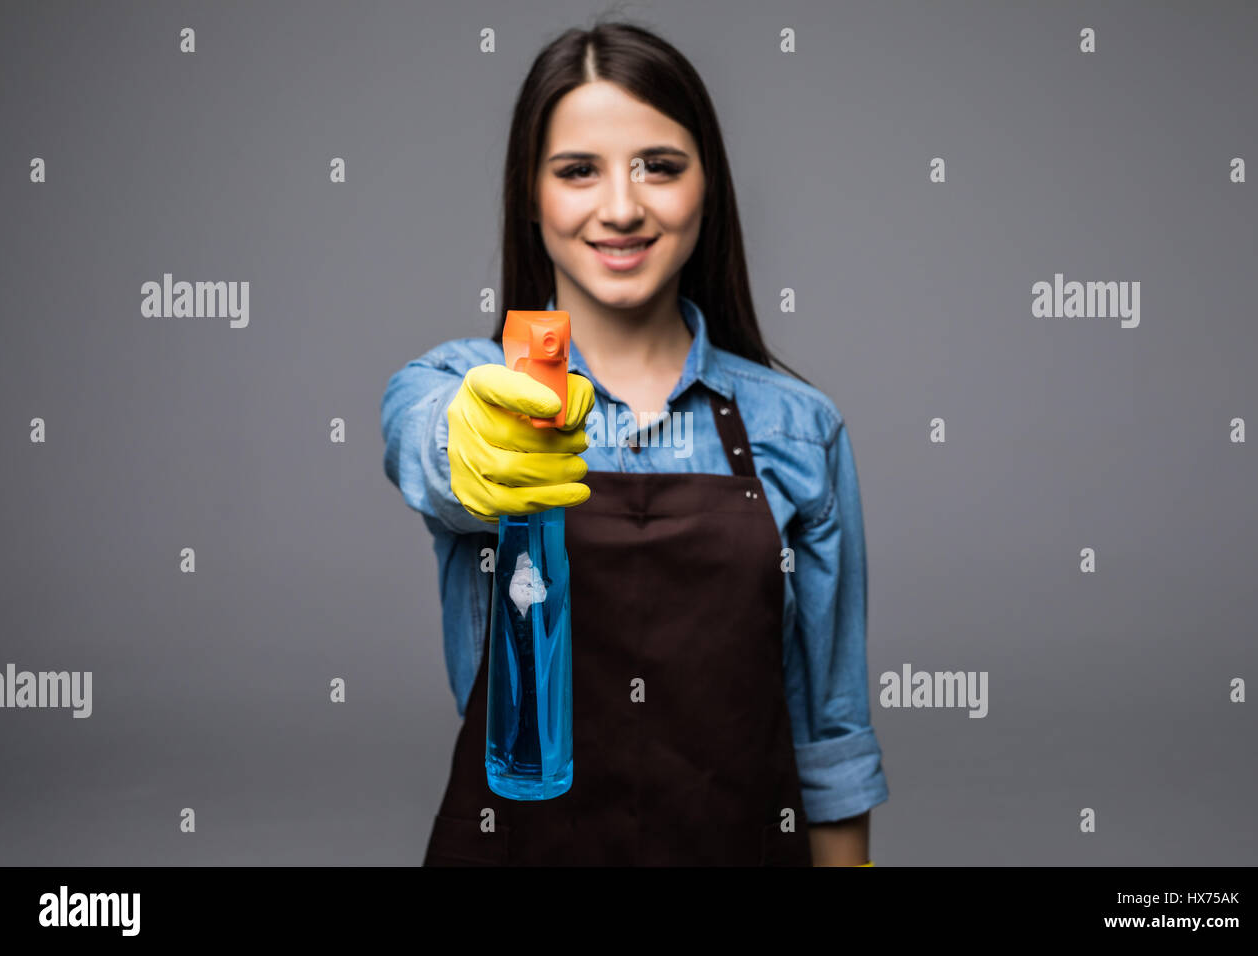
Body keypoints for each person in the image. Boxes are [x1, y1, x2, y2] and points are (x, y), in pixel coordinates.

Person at [380, 20, 887, 866]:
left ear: (708, 189)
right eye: (578, 171)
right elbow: (420, 440)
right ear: (530, 197)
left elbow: (830, 734)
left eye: (660, 165)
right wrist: (469, 443)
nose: (621, 206)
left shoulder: (798, 429)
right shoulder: (467, 387)